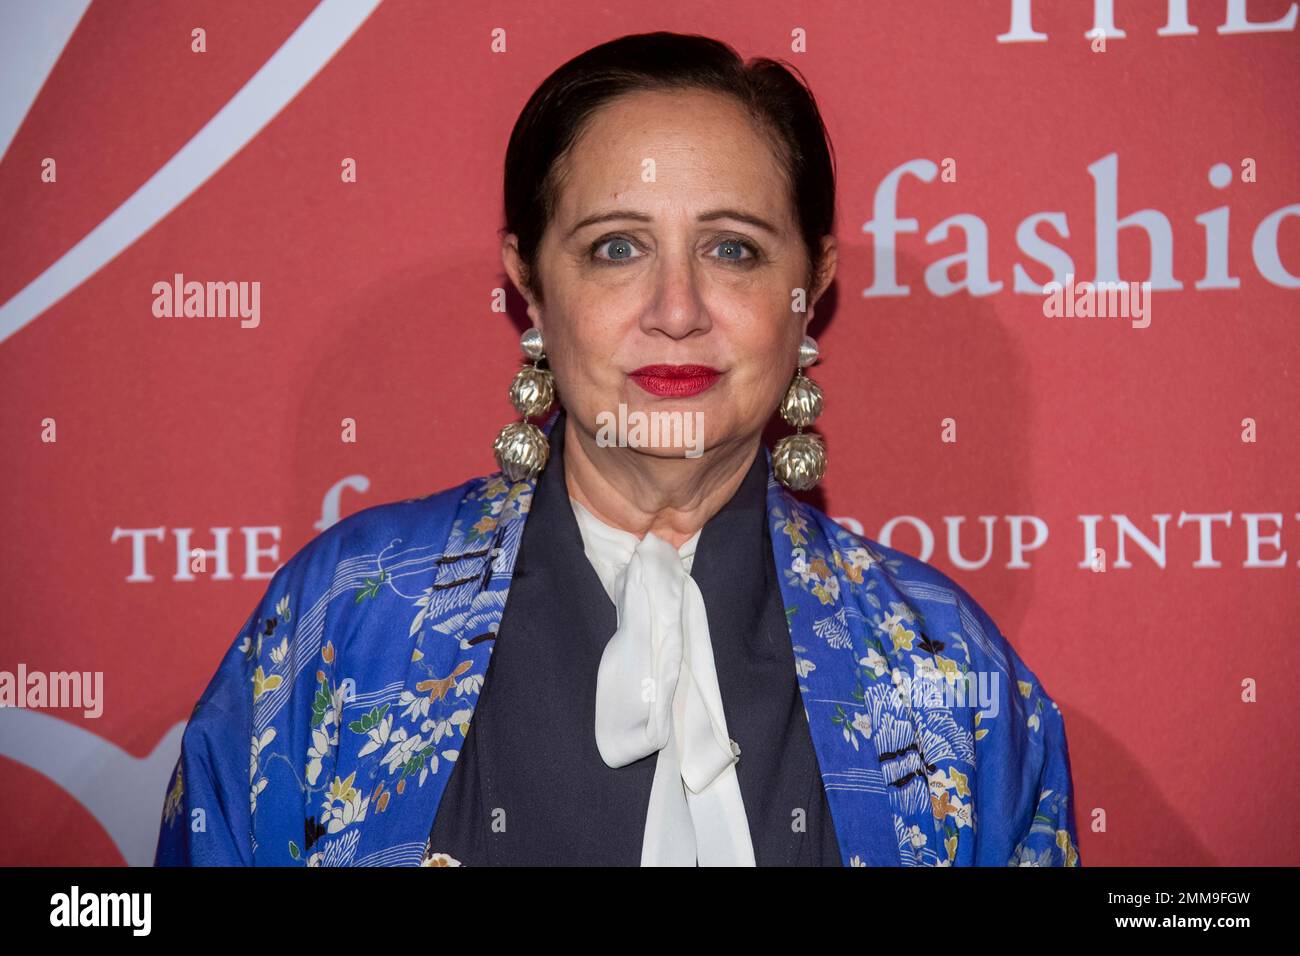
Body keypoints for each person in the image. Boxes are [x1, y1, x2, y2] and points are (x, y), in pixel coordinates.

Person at [154, 31, 1079, 867]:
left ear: (814, 283)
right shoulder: (347, 618)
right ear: (529, 282)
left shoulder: (945, 667)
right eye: (614, 248)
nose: (675, 310)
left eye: (734, 251)